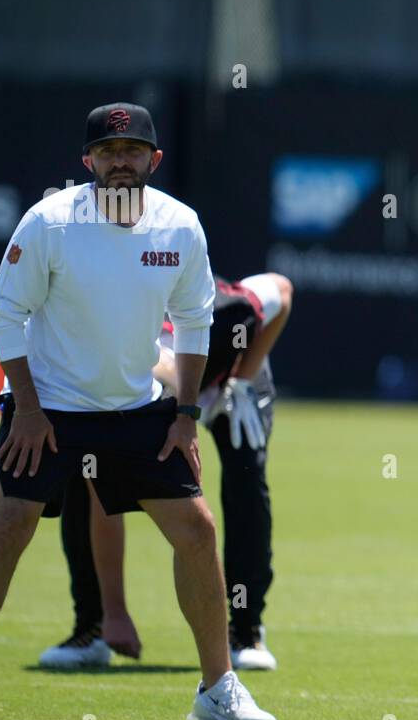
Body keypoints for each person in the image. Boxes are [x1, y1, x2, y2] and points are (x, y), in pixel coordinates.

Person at [0, 102, 275, 720]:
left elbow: (192, 324)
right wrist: (24, 407)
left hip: (137, 409)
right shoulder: (49, 221)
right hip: (48, 409)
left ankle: (218, 689)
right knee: (6, 532)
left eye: (132, 151)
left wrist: (186, 413)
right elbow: (3, 314)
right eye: (108, 153)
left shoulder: (181, 226)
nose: (120, 162)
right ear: (88, 162)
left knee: (198, 530)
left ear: (154, 160)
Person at [38, 272, 293, 671]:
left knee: (246, 470)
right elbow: (104, 500)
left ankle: (246, 629)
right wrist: (117, 613)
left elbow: (282, 289)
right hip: (171, 388)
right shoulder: (114, 372)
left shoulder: (228, 315)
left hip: (236, 371)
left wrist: (242, 383)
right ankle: (93, 625)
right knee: (81, 470)